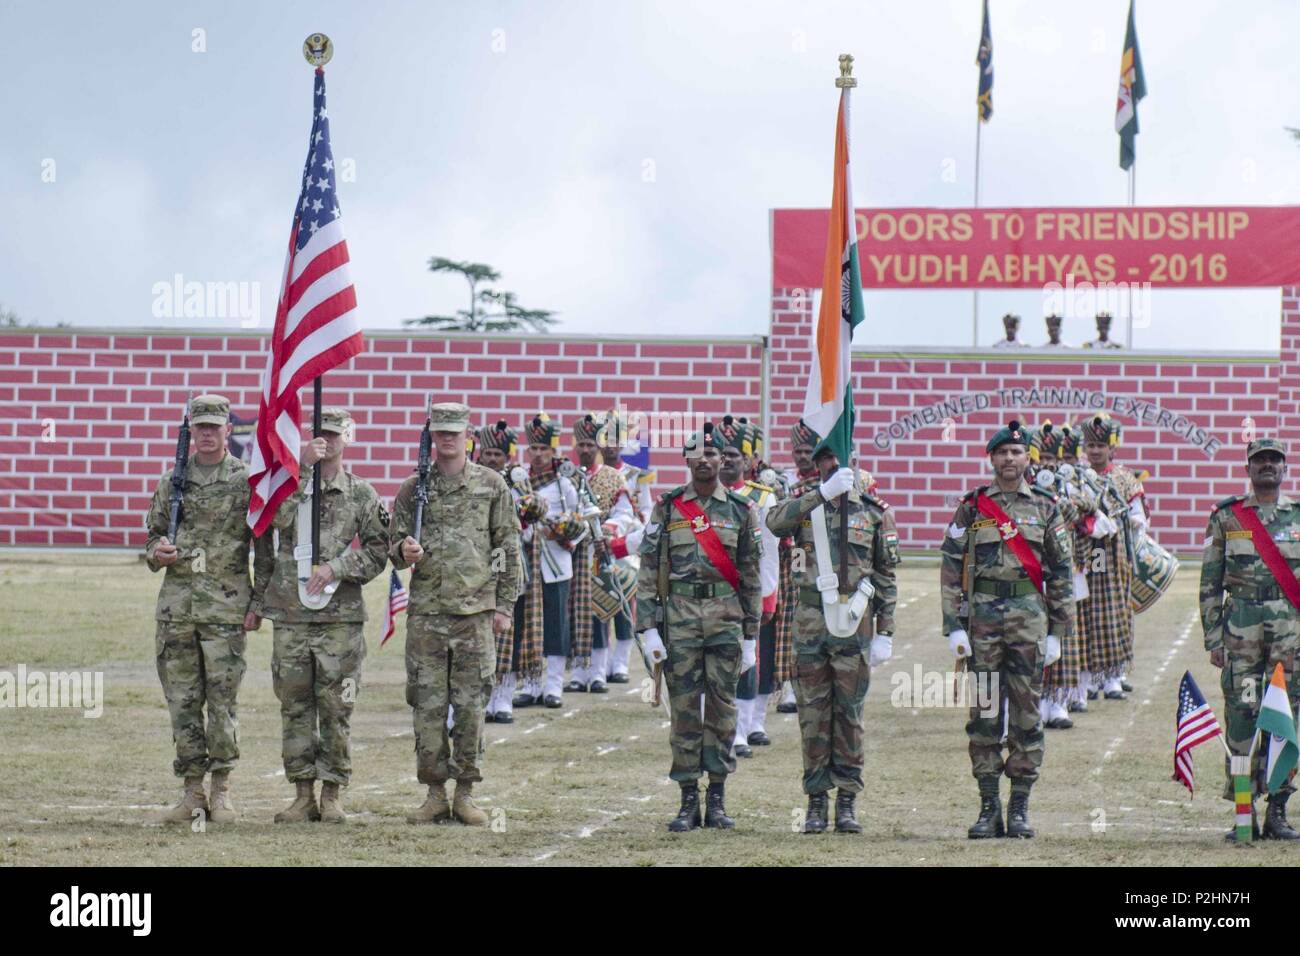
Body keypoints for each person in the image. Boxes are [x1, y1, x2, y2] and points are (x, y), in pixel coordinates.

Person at [252, 407, 389, 824]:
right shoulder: (290, 485)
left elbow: (380, 551)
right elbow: (273, 522)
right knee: (294, 706)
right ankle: (301, 794)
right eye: (320, 435)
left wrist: (338, 568)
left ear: (347, 438)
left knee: (336, 707)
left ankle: (332, 793)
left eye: (334, 434)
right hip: (292, 615)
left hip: (340, 618)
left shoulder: (361, 493)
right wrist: (302, 470)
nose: (326, 441)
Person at [940, 420, 1074, 839]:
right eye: (1002, 453)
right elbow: (949, 567)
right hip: (981, 623)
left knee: (1026, 717)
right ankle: (987, 807)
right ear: (992, 458)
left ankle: (1018, 808)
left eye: (1017, 453)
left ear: (1027, 457)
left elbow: (1063, 571)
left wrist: (1057, 632)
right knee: (983, 716)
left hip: (1029, 621)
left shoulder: (1047, 507)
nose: (1010, 459)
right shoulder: (973, 506)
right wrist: (953, 626)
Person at [389, 402, 521, 826]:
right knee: (427, 705)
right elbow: (391, 545)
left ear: (468, 436)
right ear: (431, 436)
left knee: (470, 706)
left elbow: (505, 547)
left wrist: (502, 605)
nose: (447, 439)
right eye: (440, 432)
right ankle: (433, 792)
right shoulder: (415, 488)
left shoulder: (491, 485)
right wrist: (403, 552)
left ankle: (465, 792)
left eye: (454, 432)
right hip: (427, 614)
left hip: (474, 615)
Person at [766, 436, 899, 833]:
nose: (831, 464)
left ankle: (846, 801)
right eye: (824, 458)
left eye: (838, 458)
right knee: (812, 716)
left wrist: (886, 631)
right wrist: (821, 494)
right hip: (811, 625)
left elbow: (886, 576)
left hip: (855, 626)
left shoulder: (873, 511)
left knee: (850, 716)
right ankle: (815, 800)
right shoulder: (805, 501)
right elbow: (774, 523)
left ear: (853, 460)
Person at [637, 422, 762, 831]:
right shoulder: (669, 507)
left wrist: (750, 635)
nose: (706, 461)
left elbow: (750, 574)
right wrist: (648, 627)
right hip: (681, 621)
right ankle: (688, 798)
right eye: (698, 454)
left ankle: (718, 798)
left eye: (714, 454)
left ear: (724, 459)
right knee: (686, 712)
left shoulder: (742, 511)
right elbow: (649, 567)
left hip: (726, 621)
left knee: (723, 711)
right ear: (687, 459)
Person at [144, 394, 259, 824]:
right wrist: (160, 552)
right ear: (191, 431)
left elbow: (262, 545)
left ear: (229, 429)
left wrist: (258, 601)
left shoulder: (246, 481)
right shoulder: (172, 482)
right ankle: (192, 791)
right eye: (200, 427)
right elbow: (151, 538)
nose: (207, 434)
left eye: (215, 426)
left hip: (225, 611)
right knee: (183, 702)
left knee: (223, 703)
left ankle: (222, 789)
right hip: (177, 611)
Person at [1200, 437, 1300, 841]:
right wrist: (1213, 639)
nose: (1268, 467)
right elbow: (1210, 581)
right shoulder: (1227, 517)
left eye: (1274, 461)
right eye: (1260, 461)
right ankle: (1244, 812)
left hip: (1290, 633)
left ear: (1284, 468)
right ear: (1248, 469)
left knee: (1285, 718)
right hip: (1239, 628)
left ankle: (1278, 809)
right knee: (1241, 717)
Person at [511, 413, 585, 709]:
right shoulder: (518, 482)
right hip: (526, 563)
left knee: (556, 624)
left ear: (554, 451)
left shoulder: (564, 484)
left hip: (555, 564)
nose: (539, 455)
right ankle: (530, 683)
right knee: (527, 624)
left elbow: (581, 522)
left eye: (544, 449)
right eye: (534, 449)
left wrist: (565, 533)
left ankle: (553, 685)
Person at [717, 416, 779, 758]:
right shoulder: (702, 494)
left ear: (747, 460)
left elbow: (769, 552)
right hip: (711, 594)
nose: (726, 461)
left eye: (733, 455)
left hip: (748, 592)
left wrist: (768, 595)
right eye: (721, 454)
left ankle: (744, 728)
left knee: (748, 659)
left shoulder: (762, 498)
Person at [1073, 413, 1143, 700]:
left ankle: (1113, 676)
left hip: (1113, 558)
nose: (1095, 451)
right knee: (1085, 614)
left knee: (1115, 614)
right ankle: (1088, 677)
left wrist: (1116, 524)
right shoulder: (1076, 476)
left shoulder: (1124, 479)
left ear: (1112, 447)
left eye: (1101, 445)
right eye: (1090, 445)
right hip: (1085, 557)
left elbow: (1138, 518)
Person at [567, 413, 633, 693]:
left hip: (603, 551)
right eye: (580, 445)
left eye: (590, 445)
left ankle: (600, 671)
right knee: (576, 613)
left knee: (602, 610)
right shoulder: (566, 475)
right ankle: (579, 672)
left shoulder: (613, 477)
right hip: (572, 552)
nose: (585, 450)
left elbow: (625, 513)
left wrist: (605, 531)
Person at [1031, 422, 1082, 730]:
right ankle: (1034, 705)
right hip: (1030, 570)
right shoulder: (1019, 483)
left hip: (1063, 567)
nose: (1048, 462)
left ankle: (1059, 704)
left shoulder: (1069, 480)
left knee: (1063, 636)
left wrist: (1057, 496)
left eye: (1053, 456)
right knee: (1031, 641)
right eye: (1042, 456)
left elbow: (1080, 511)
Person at [775, 419, 825, 715]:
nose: (803, 457)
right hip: (793, 559)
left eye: (808, 451)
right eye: (798, 451)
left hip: (823, 562)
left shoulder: (829, 486)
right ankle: (786, 689)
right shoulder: (786, 485)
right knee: (788, 623)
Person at [598, 408, 651, 683]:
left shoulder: (636, 473)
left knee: (624, 601)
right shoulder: (591, 473)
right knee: (597, 601)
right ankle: (600, 659)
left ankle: (621, 660)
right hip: (596, 544)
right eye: (606, 439)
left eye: (617, 440)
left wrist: (634, 542)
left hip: (626, 546)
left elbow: (646, 510)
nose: (611, 446)